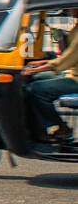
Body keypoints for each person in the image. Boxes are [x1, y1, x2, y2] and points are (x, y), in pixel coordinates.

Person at [23, 10, 78, 141]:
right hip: (72, 73)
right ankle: (39, 127)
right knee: (37, 79)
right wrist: (42, 63)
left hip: (75, 78)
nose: (70, 10)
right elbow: (69, 57)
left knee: (37, 90)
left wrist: (34, 70)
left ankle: (62, 128)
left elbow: (67, 60)